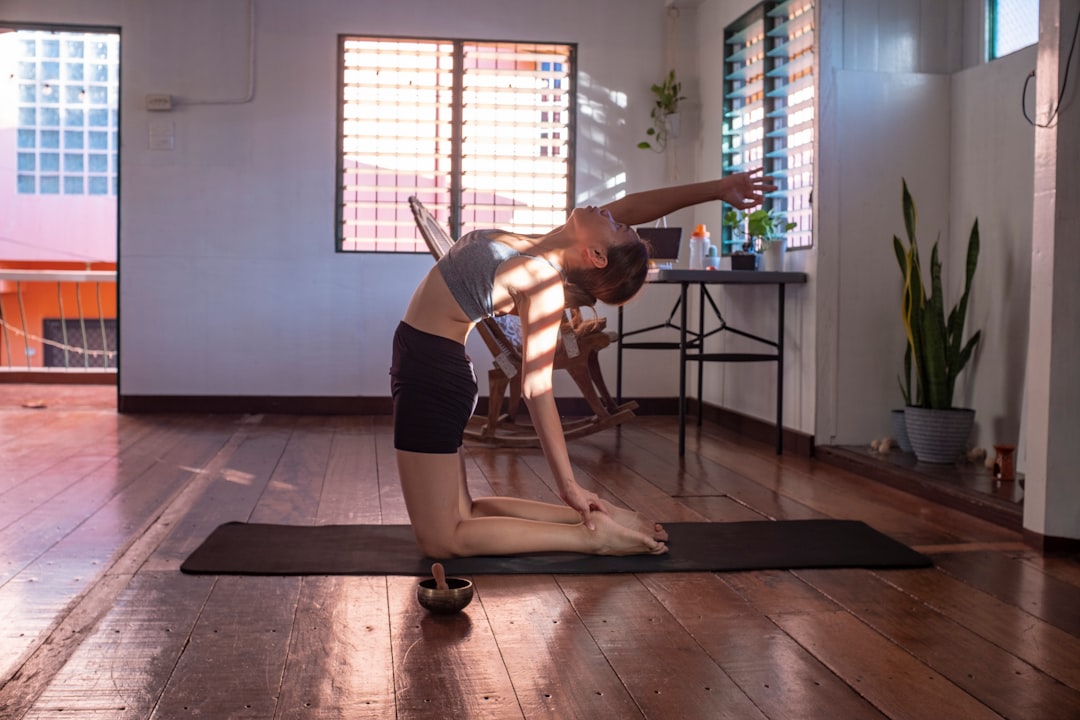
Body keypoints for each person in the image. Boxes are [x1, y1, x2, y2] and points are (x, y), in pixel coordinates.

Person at [391, 169, 777, 558]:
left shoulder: (541, 281)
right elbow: (635, 204)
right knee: (465, 513)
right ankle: (595, 519)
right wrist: (717, 188)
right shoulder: (541, 247)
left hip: (432, 374)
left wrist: (568, 483)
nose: (613, 213)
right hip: (430, 365)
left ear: (595, 254)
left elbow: (535, 387)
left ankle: (592, 537)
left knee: (443, 540)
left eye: (616, 225)